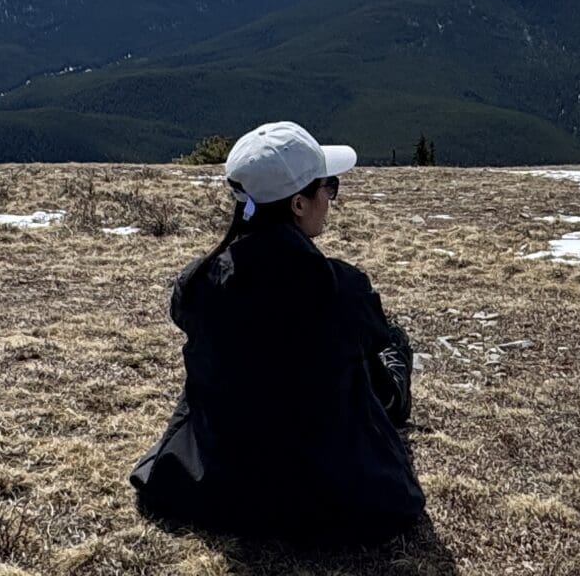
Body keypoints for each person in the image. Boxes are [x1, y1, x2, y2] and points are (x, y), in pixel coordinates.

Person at [130, 121, 424, 545]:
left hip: (217, 486)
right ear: (299, 204)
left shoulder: (197, 282)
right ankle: (395, 399)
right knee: (390, 345)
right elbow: (370, 337)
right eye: (329, 187)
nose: (332, 198)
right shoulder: (340, 287)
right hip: (331, 498)